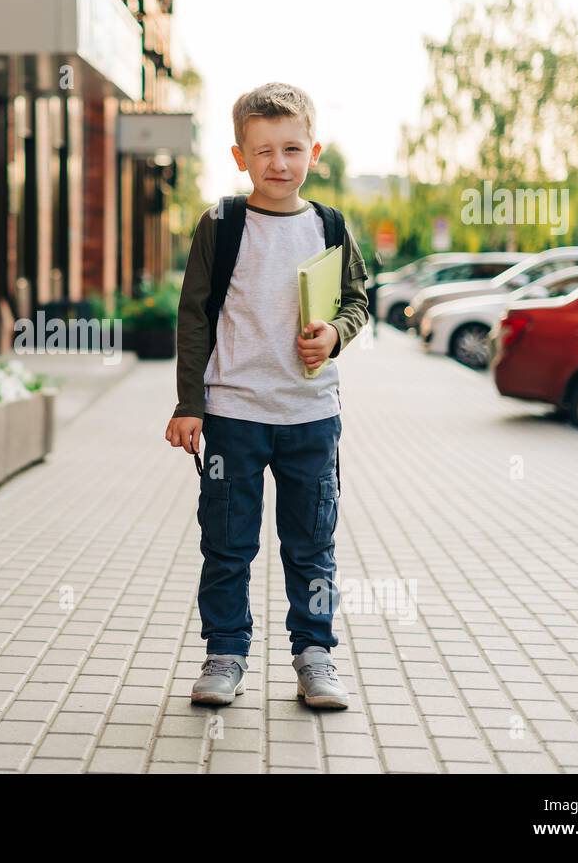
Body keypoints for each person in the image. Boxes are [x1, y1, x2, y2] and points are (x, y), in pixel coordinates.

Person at [164, 82, 369, 709]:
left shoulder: (330, 226)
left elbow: (361, 300)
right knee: (227, 545)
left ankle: (315, 658)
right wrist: (189, 404)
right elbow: (194, 316)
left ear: (314, 150)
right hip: (233, 416)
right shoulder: (221, 224)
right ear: (239, 156)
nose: (278, 164)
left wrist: (334, 334)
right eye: (263, 152)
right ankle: (224, 654)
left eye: (291, 149)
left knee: (312, 545)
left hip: (311, 417)